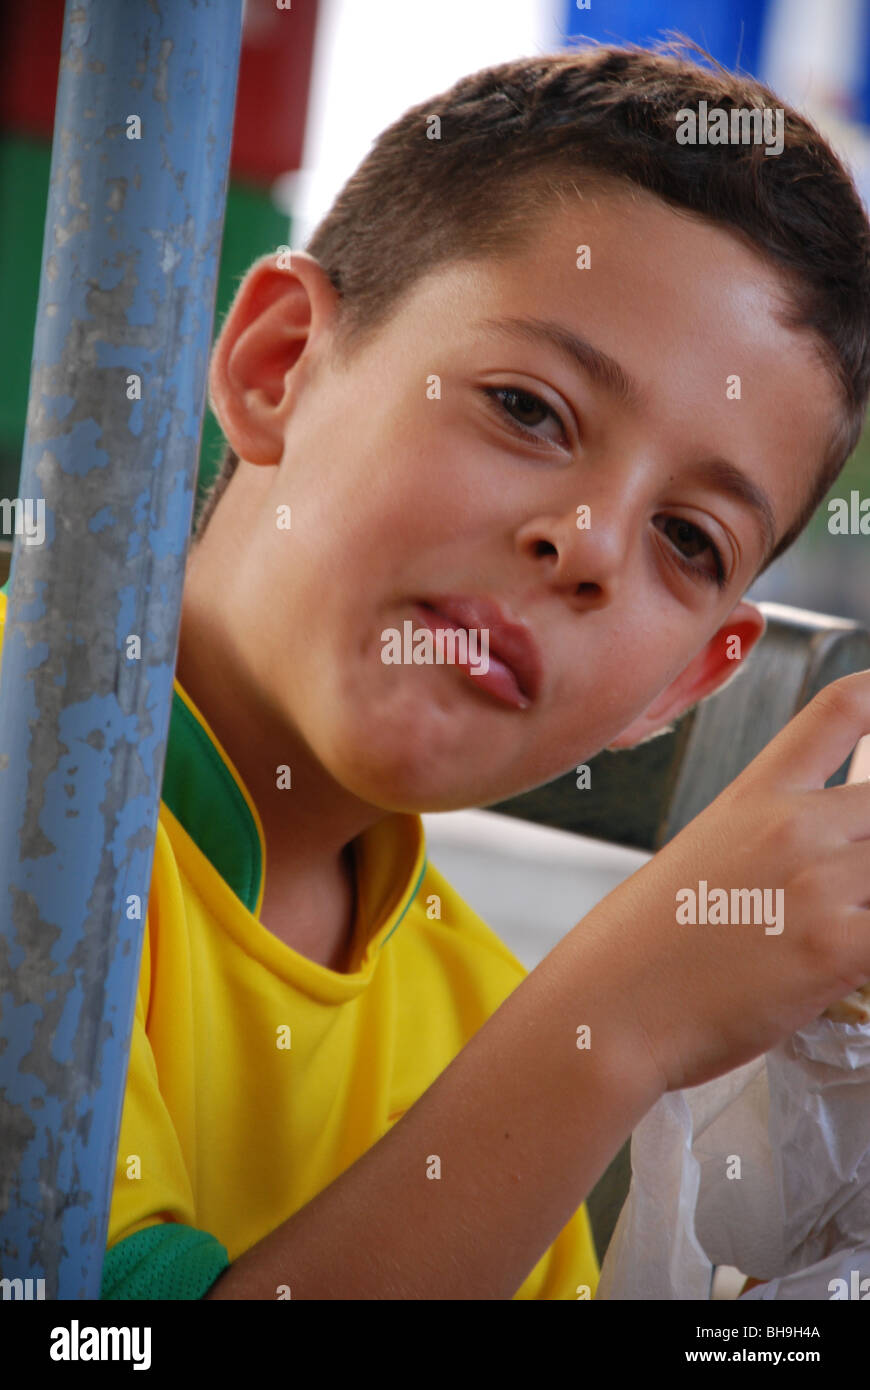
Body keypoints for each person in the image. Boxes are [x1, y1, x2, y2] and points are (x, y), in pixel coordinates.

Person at [37, 40, 870, 1299]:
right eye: (528, 409)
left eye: (687, 539)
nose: (586, 544)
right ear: (278, 367)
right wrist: (619, 1019)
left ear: (683, 683)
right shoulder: (25, 796)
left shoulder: (488, 1028)